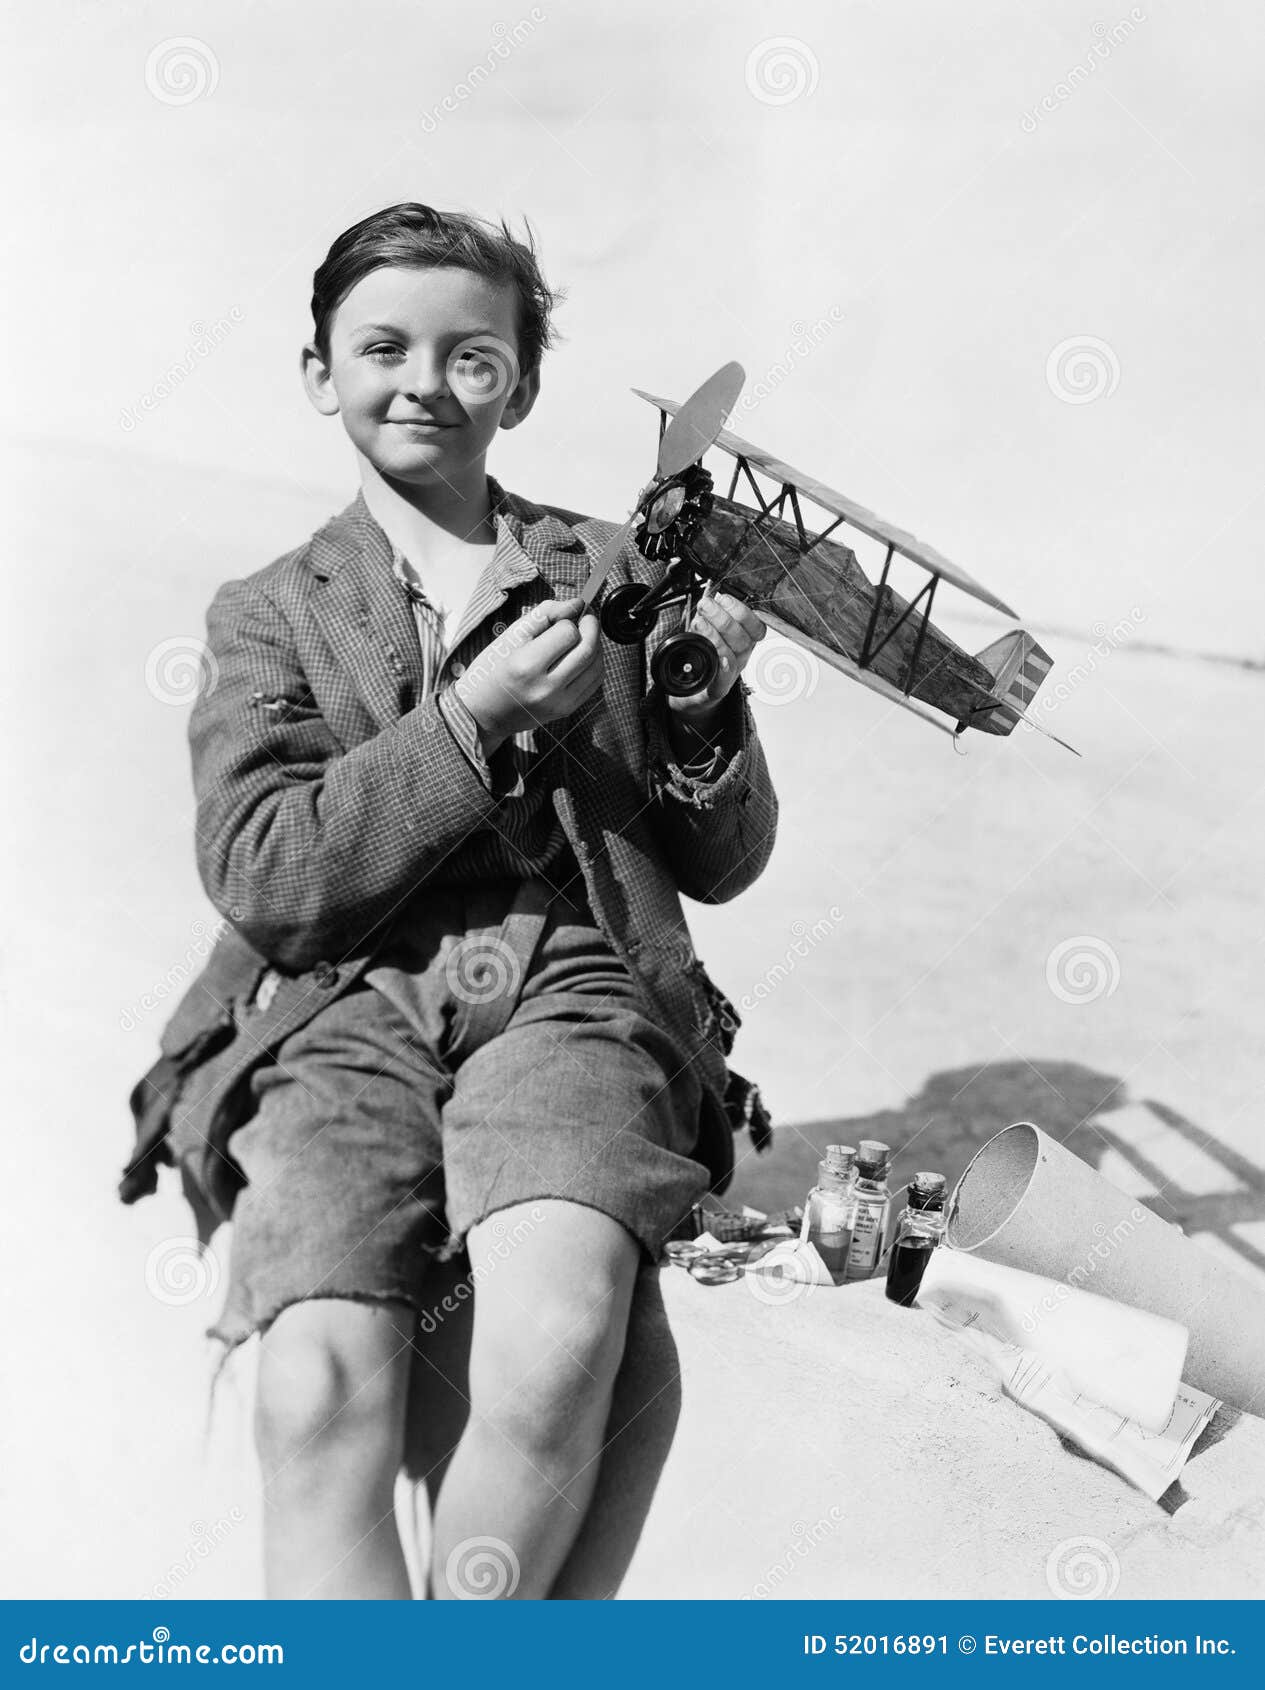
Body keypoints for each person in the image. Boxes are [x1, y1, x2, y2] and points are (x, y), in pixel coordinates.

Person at [118, 203, 779, 1599]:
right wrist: (469, 722)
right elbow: (268, 875)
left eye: (470, 355)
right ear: (320, 373)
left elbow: (717, 858)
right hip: (342, 996)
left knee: (555, 1335)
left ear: (521, 385)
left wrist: (705, 714)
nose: (424, 380)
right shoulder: (267, 613)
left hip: (570, 979)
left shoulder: (612, 572)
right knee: (311, 1386)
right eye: (383, 348)